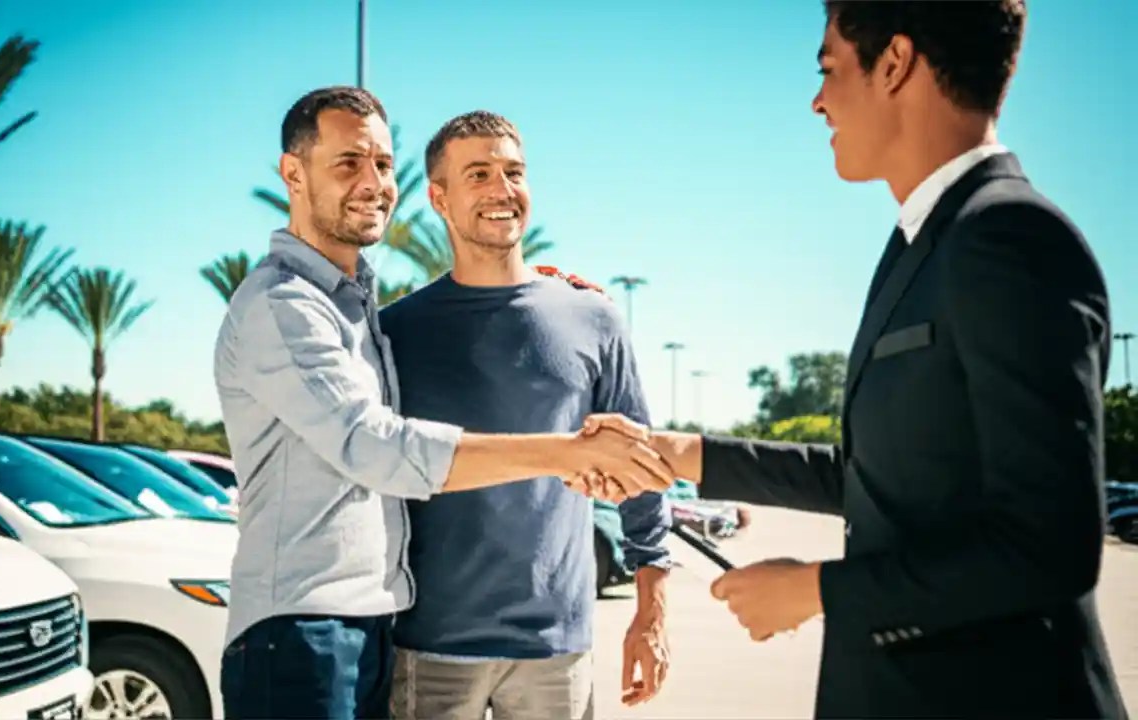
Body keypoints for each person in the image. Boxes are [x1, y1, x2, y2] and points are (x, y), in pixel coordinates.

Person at [587, 1, 1128, 717]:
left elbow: (1049, 549)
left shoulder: (1011, 238)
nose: (817, 100)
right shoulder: (920, 242)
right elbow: (878, 478)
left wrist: (811, 589)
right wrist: (673, 452)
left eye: (829, 68)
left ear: (895, 63)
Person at [213, 87, 674, 720]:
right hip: (321, 631)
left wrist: (654, 599)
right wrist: (568, 450)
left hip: (391, 628)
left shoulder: (361, 314)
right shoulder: (297, 306)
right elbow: (373, 444)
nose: (372, 181)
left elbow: (642, 467)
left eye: (381, 163)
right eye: (348, 162)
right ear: (293, 174)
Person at [378, 111, 673, 720]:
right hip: (428, 643)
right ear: (439, 197)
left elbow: (643, 473)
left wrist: (652, 612)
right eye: (478, 173)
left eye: (513, 172)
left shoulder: (593, 320)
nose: (501, 190)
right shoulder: (396, 331)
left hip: (555, 647)